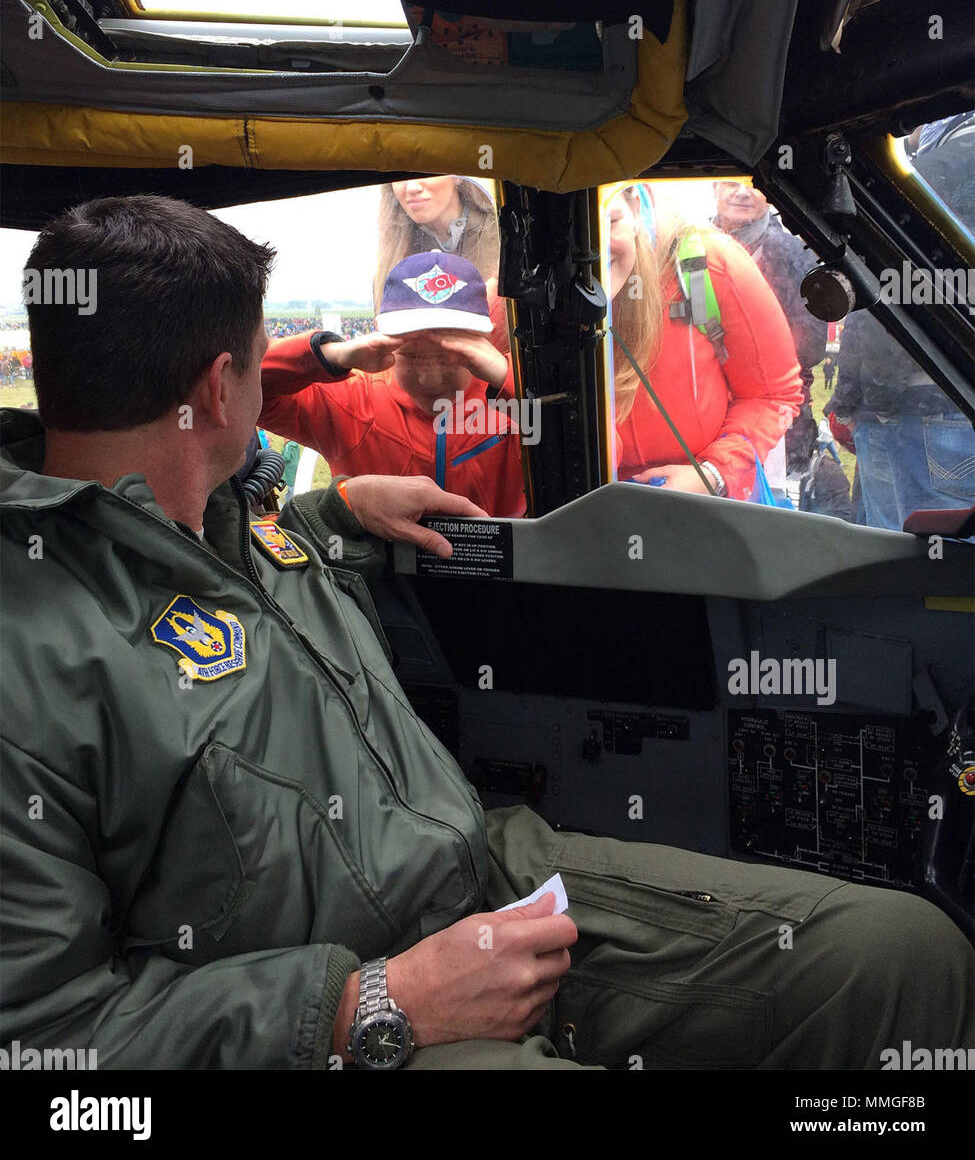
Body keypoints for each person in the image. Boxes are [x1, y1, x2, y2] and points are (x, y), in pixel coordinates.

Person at [2, 194, 971, 1073]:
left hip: (488, 873)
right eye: (262, 360)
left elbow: (206, 586)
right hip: (337, 1011)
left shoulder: (234, 517)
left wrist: (334, 513)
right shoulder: (27, 653)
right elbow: (42, 1051)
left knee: (901, 960)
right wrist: (362, 1007)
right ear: (219, 390)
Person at [260, 252, 526, 518]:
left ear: (484, 340)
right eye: (410, 357)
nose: (429, 380)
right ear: (381, 336)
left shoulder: (516, 402)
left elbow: (564, 439)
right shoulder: (352, 400)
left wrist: (509, 377)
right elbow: (245, 390)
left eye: (451, 357)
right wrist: (331, 354)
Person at [606, 184, 804, 500]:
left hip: (694, 511)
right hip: (579, 514)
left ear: (634, 204)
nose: (594, 248)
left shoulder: (708, 263)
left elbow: (773, 393)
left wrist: (714, 474)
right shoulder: (526, 285)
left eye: (610, 222)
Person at [711, 178, 826, 479]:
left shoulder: (793, 253)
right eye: (730, 183)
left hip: (778, 423)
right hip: (705, 418)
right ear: (715, 189)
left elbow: (812, 342)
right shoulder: (687, 251)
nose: (741, 192)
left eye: (752, 184)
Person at [826, 309, 975, 531]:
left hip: (910, 405)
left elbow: (865, 310)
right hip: (935, 401)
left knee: (895, 542)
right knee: (946, 545)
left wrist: (847, 403)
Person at [374, 174, 509, 352]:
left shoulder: (503, 237)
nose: (412, 186)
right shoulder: (391, 253)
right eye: (399, 174)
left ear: (458, 176)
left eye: (426, 171)